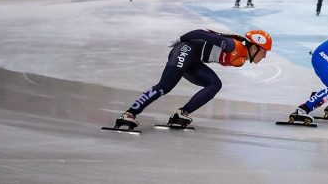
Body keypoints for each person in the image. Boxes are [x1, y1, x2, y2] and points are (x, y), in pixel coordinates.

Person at [111, 29, 272, 131]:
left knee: (215, 84)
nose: (264, 56)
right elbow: (201, 34)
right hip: (185, 49)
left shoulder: (241, 60)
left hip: (194, 60)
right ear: (254, 47)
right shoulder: (232, 46)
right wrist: (180, 39)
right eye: (264, 52)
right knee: (165, 86)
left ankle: (182, 114)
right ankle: (129, 113)